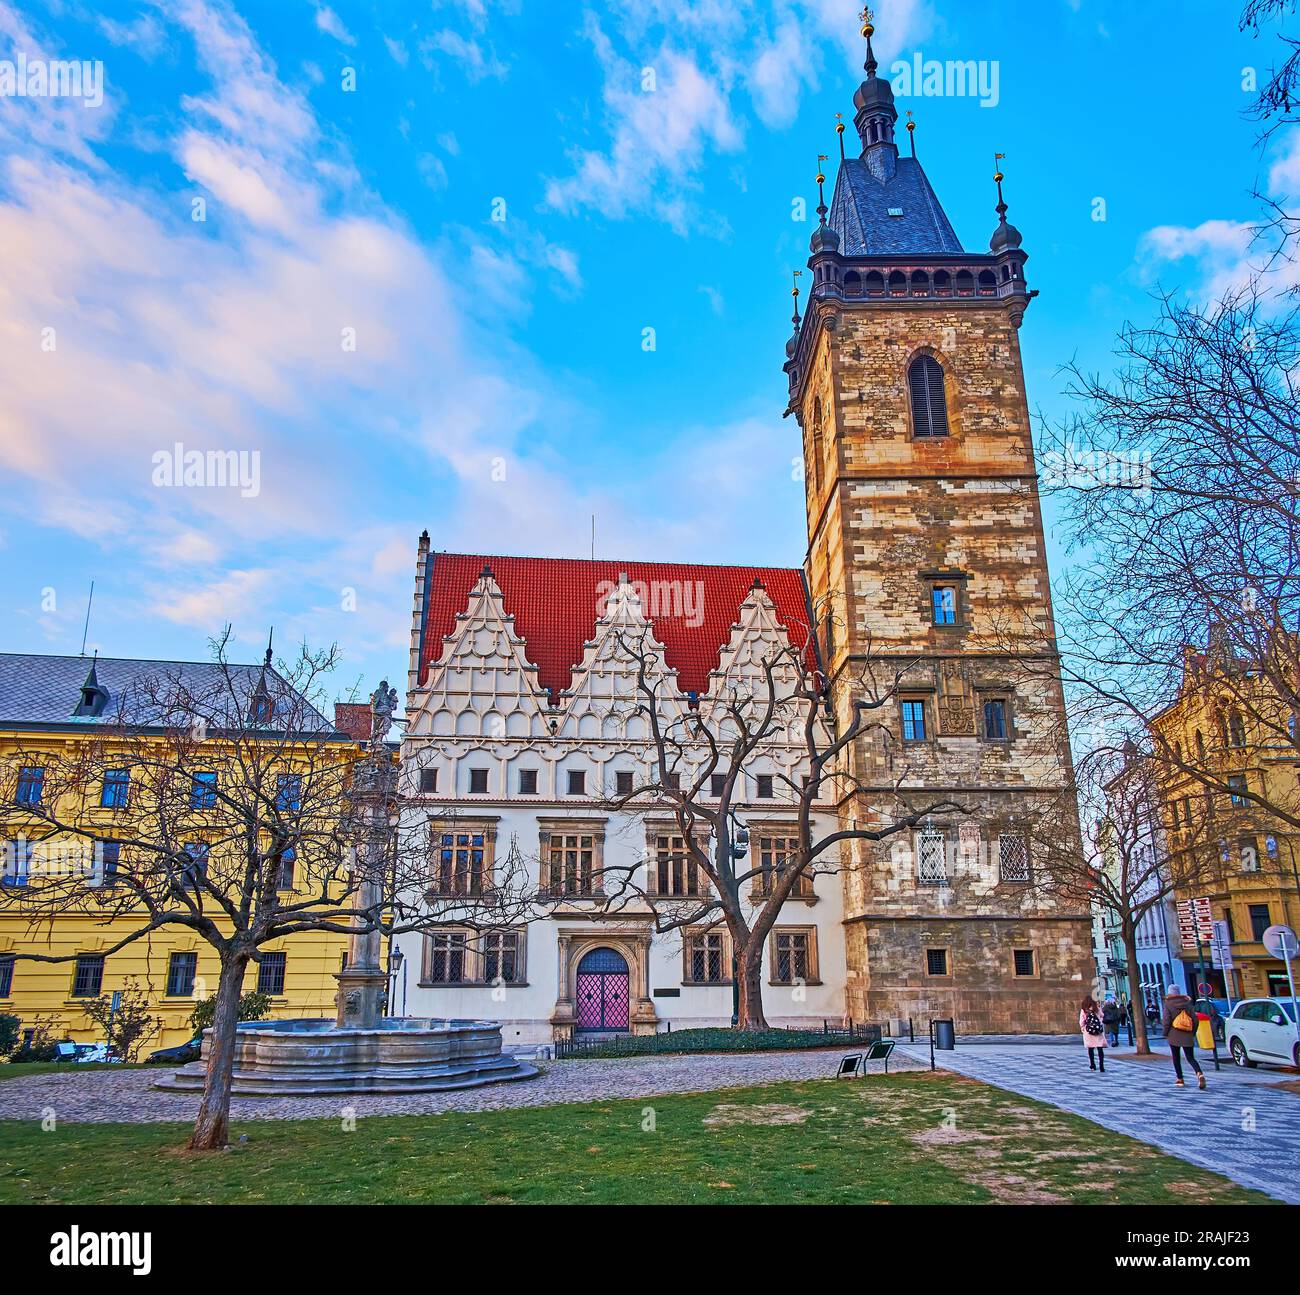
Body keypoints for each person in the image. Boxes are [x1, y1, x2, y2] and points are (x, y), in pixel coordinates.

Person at [1161, 984, 1206, 1089]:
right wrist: (1192, 1032)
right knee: (1190, 1058)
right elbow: (1195, 1020)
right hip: (1187, 1034)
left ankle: (1180, 1079)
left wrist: (1165, 1033)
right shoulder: (1188, 1003)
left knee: (1176, 1058)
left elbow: (1166, 1021)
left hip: (1173, 1034)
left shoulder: (1168, 1004)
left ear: (1170, 993)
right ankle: (1199, 1073)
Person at [1079, 995, 1107, 1072]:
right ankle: (1101, 1066)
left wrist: (1083, 1028)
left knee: (1090, 1049)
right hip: (1098, 1031)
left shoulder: (1084, 1010)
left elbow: (1082, 1021)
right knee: (1100, 1049)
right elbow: (1102, 1016)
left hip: (1089, 1031)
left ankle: (1092, 1065)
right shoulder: (1096, 1008)